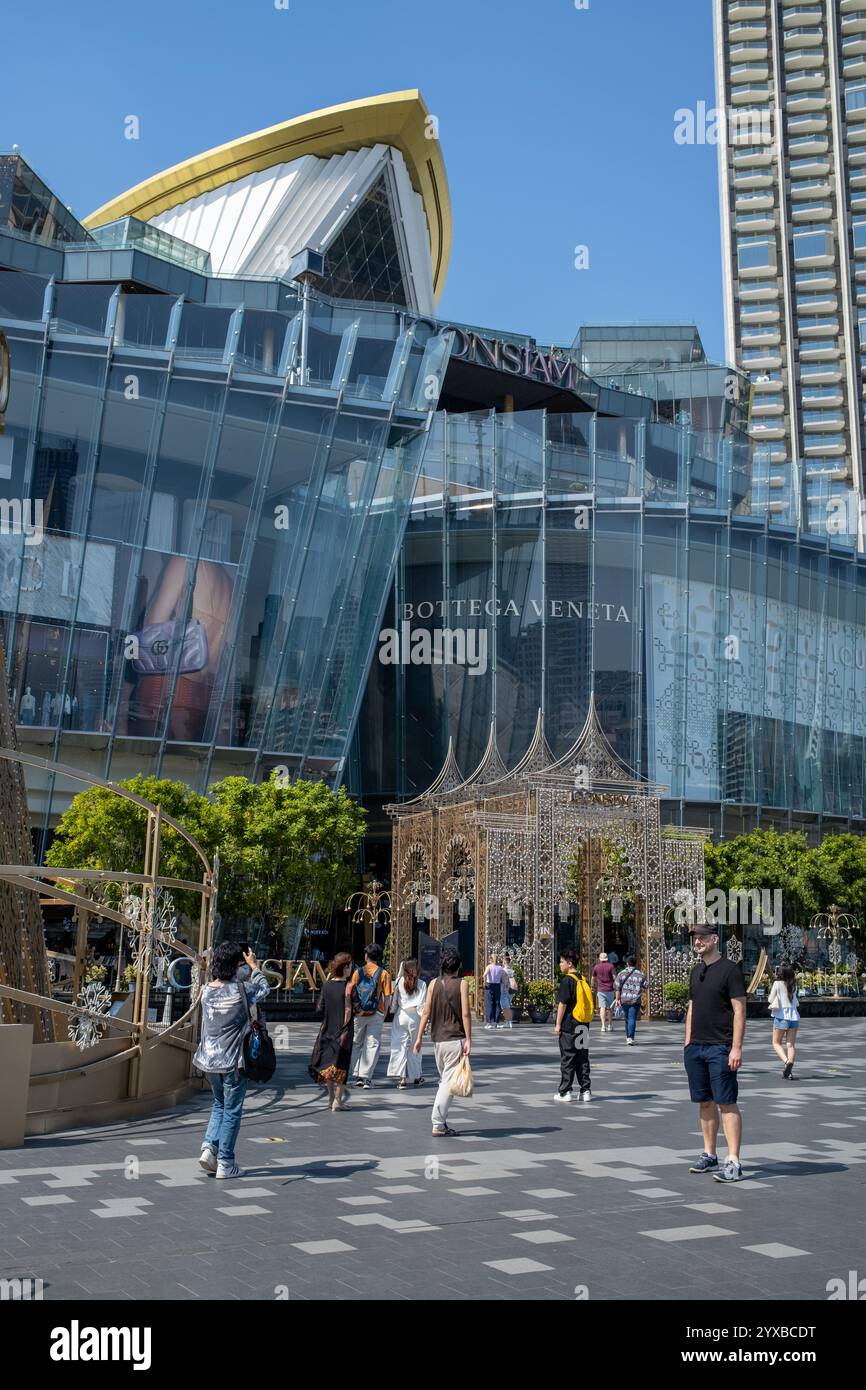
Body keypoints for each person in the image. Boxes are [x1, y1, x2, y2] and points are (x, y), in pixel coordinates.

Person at [193, 942, 269, 1179]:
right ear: (238, 965)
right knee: (232, 1110)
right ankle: (226, 1161)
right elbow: (265, 988)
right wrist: (254, 966)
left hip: (209, 1059)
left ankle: (209, 1148)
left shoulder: (205, 990)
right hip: (234, 1059)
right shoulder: (241, 990)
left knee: (219, 1104)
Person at [684, 923, 747, 1184]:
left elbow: (740, 1010)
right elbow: (691, 1007)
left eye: (701, 938)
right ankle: (709, 1154)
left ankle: (733, 1160)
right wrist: (687, 1043)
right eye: (694, 939)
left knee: (725, 1102)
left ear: (713, 939)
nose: (697, 942)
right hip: (696, 1047)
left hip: (720, 1047)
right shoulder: (696, 971)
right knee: (705, 1101)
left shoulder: (730, 971)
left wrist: (736, 1047)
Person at [413, 949, 472, 1137]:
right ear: (458, 966)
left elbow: (426, 1011)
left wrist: (419, 1037)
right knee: (447, 1082)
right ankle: (438, 1123)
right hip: (455, 1038)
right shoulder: (462, 984)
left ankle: (441, 1121)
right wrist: (469, 1038)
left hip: (437, 1040)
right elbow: (465, 1013)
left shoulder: (433, 984)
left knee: (444, 1079)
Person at [310, 952, 355, 1111]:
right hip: (344, 1032)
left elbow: (318, 1009)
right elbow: (357, 1008)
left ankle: (330, 1100)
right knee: (342, 1065)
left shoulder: (327, 985)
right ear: (345, 967)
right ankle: (338, 1101)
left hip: (328, 1030)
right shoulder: (349, 987)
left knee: (329, 1066)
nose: (351, 968)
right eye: (350, 966)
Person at [349, 943, 393, 1088]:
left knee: (356, 1043)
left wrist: (352, 1010)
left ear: (366, 956)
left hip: (359, 1013)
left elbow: (351, 993)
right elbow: (387, 997)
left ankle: (357, 1075)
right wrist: (385, 1013)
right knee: (372, 1044)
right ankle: (366, 1077)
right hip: (376, 1012)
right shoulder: (384, 973)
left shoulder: (357, 972)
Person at [553, 947, 592, 1103]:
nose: (560, 965)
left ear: (569, 964)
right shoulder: (583, 979)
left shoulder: (567, 980)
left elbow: (562, 1004)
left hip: (569, 1026)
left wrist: (557, 1025)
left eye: (562, 962)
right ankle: (586, 1090)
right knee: (583, 1057)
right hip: (583, 1025)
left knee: (568, 1058)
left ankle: (565, 1091)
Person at [387, 958, 427, 1087]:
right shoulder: (422, 984)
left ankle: (402, 1079)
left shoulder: (399, 981)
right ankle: (416, 1076)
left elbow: (393, 1003)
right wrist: (424, 1023)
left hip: (401, 1015)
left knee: (399, 1047)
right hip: (415, 1016)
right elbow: (422, 1006)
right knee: (415, 1047)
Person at [768, 964, 800, 1080]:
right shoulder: (794, 984)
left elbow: (770, 999)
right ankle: (789, 1071)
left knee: (776, 1043)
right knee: (790, 1045)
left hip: (782, 1016)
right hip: (794, 1017)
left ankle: (787, 1063)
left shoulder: (777, 984)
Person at [615, 956, 648, 1046]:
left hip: (624, 999)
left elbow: (617, 988)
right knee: (632, 1018)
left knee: (627, 1018)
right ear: (636, 963)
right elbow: (646, 985)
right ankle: (630, 1037)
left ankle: (628, 1036)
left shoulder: (621, 973)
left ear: (627, 963)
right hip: (635, 1000)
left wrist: (617, 999)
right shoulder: (640, 974)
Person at [591, 952, 617, 1032]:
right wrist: (616, 986)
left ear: (600, 959)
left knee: (602, 1007)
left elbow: (593, 978)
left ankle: (603, 1026)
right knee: (609, 1008)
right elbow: (614, 977)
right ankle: (609, 1025)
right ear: (607, 959)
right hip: (610, 989)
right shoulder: (611, 966)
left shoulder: (596, 967)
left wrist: (592, 986)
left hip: (601, 990)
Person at [483, 953, 506, 1029]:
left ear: (490, 959)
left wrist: (485, 982)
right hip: (497, 985)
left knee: (489, 1003)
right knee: (497, 1003)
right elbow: (502, 979)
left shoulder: (489, 966)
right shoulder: (500, 968)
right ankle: (496, 1022)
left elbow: (485, 974)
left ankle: (489, 1022)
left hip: (490, 985)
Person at [500, 953, 517, 1029]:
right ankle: (508, 1022)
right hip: (511, 990)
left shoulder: (503, 971)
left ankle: (509, 1022)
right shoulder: (511, 970)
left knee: (505, 1006)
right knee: (507, 1006)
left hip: (504, 990)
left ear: (504, 962)